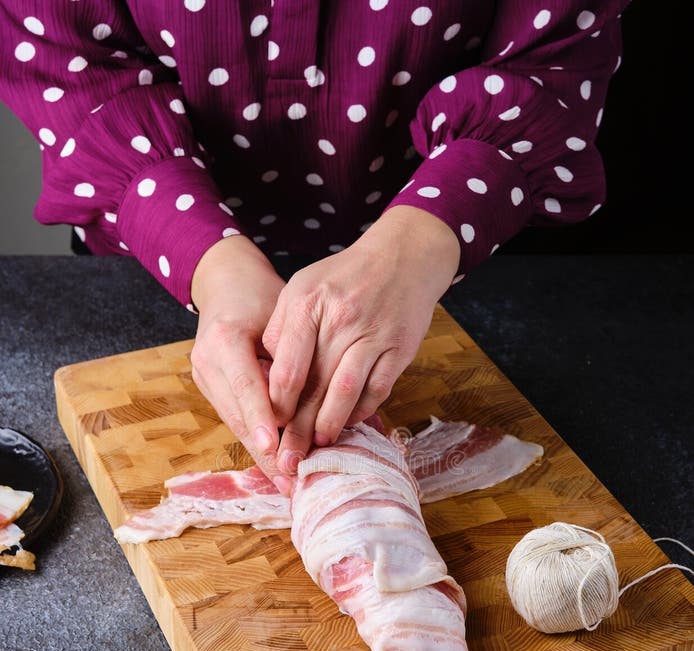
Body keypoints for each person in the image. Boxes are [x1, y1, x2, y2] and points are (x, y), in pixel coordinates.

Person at [0, 1, 628, 493]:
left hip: (476, 259)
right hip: (152, 259)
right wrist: (213, 268)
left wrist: (416, 244)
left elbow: (550, 61)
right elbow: (68, 64)